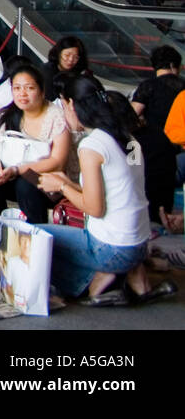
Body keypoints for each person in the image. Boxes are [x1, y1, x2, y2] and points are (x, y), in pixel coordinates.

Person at [37, 75, 177, 306]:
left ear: (72, 104)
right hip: (140, 242)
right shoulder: (130, 139)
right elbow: (121, 189)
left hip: (114, 248)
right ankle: (128, 278)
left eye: (63, 105)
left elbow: (95, 208)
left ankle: (96, 282)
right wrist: (70, 184)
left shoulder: (92, 145)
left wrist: (61, 186)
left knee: (36, 236)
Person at [0, 61, 74, 225]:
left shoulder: (56, 117)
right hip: (11, 174)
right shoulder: (7, 115)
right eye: (17, 88)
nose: (22, 94)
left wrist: (18, 170)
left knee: (25, 184)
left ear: (42, 91)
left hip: (47, 182)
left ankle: (36, 231)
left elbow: (58, 161)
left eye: (29, 88)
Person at [130, 45, 185, 220]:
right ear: (173, 65)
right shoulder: (183, 86)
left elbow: (131, 114)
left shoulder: (148, 86)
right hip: (178, 153)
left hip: (154, 152)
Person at [42, 36, 90, 101]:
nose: (70, 60)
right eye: (67, 55)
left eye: (75, 57)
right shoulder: (47, 72)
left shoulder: (78, 74)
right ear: (59, 53)